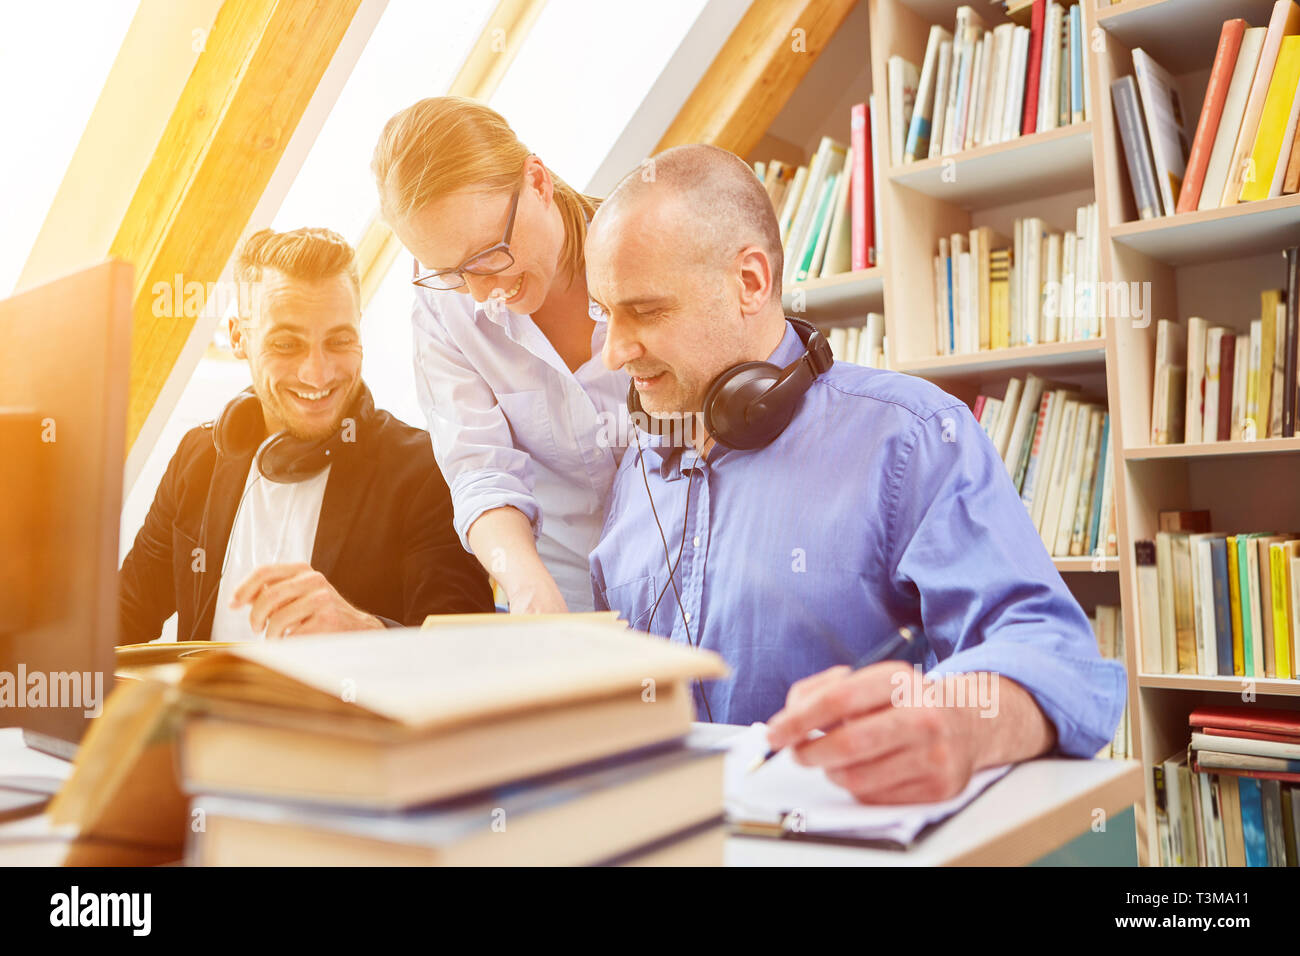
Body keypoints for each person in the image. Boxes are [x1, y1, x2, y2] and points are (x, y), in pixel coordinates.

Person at [586, 145, 1127, 804]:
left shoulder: (912, 437)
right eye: (603, 313)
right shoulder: (637, 464)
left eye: (644, 311)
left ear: (749, 283)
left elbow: (1057, 656)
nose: (614, 352)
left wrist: (960, 723)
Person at [119, 227, 494, 643]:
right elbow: (124, 614)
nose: (317, 373)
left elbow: (464, 655)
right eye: (286, 344)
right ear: (239, 337)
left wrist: (368, 632)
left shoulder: (426, 471)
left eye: (339, 340)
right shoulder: (198, 457)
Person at [371, 96, 629, 613]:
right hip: (555, 594)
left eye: (488, 254)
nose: (479, 290)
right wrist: (527, 587)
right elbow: (480, 471)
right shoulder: (444, 307)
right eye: (449, 271)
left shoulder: (642, 254)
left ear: (537, 182)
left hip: (684, 580)